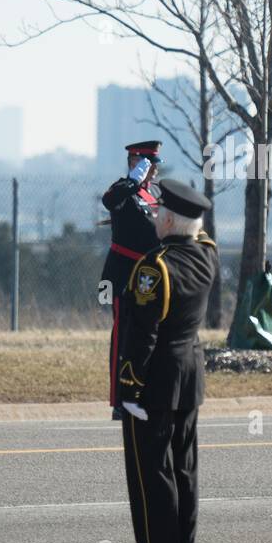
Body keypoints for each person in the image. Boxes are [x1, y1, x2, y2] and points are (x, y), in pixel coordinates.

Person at [116, 179, 218, 543]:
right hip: (190, 374)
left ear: (170, 220)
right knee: (185, 469)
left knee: (152, 474)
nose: (154, 216)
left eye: (159, 212)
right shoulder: (207, 254)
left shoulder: (153, 267)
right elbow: (198, 232)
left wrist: (129, 384)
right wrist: (179, 219)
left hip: (156, 379)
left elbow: (143, 334)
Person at [101, 141, 162, 421]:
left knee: (147, 335)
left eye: (153, 164)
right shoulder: (124, 190)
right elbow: (109, 200)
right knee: (123, 334)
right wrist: (131, 180)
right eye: (146, 163)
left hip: (150, 277)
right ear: (134, 162)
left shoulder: (154, 194)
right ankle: (118, 400)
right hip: (124, 275)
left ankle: (143, 390)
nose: (151, 170)